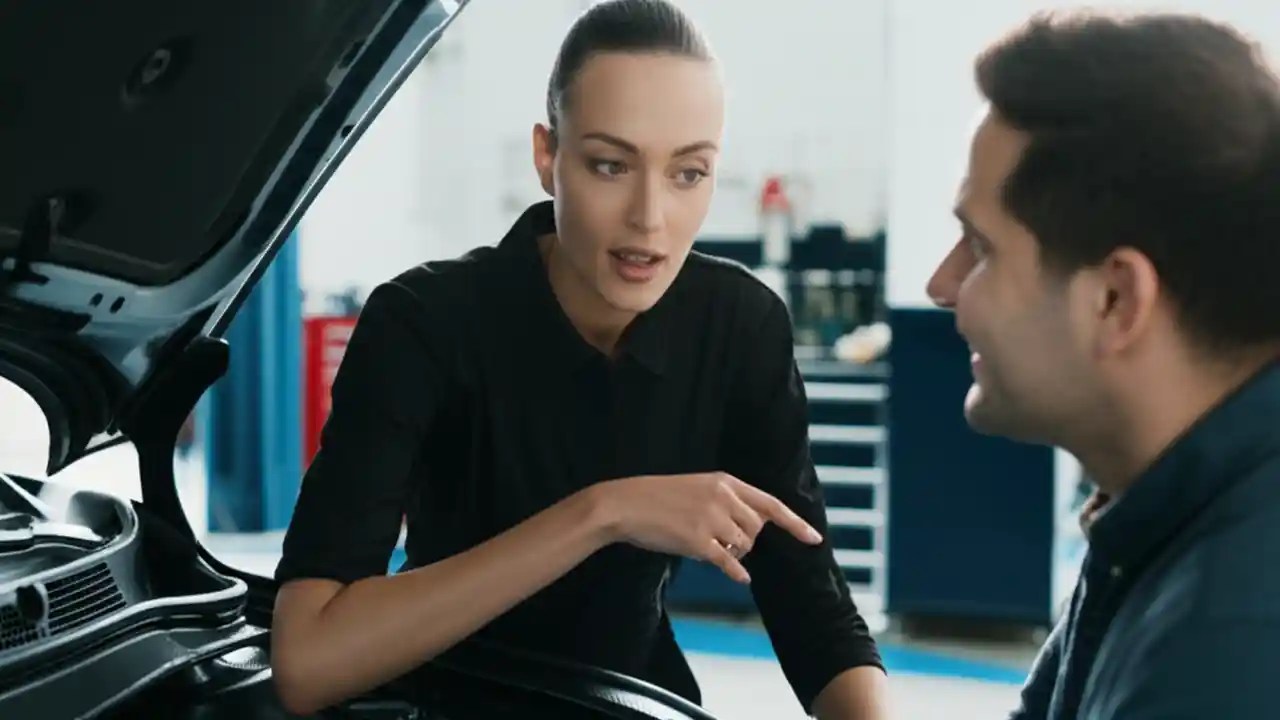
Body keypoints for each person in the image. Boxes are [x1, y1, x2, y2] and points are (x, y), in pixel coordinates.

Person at [269, 1, 888, 717]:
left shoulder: (740, 326)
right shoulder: (423, 323)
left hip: (635, 704)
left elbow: (813, 612)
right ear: (546, 158)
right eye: (609, 165)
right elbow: (308, 662)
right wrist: (605, 512)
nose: (650, 218)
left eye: (689, 173)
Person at [926, 10, 1280, 720]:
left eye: (981, 248)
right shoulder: (1156, 513)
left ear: (1116, 299)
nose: (942, 285)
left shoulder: (1227, 649)